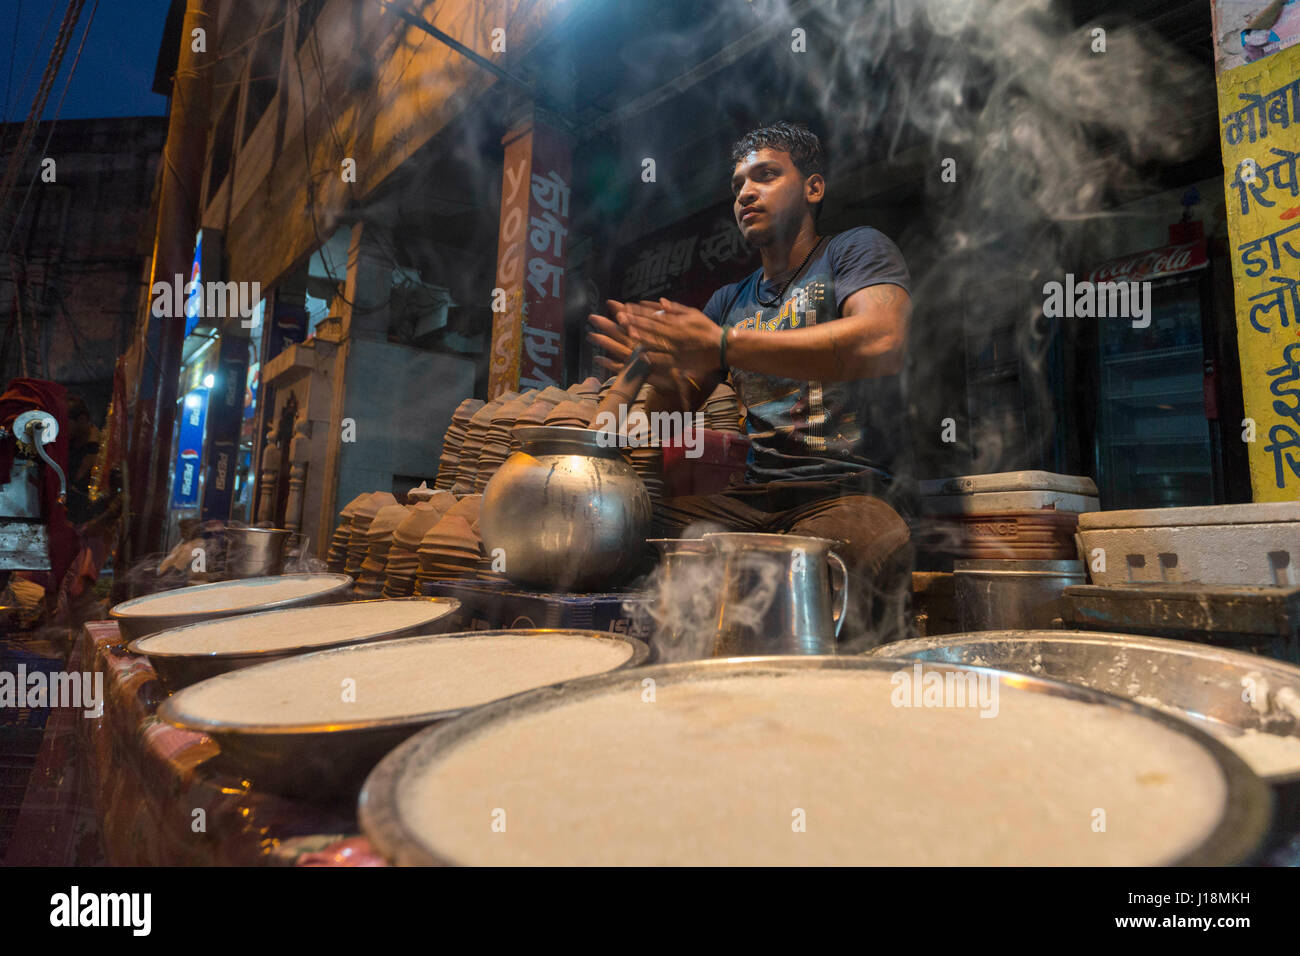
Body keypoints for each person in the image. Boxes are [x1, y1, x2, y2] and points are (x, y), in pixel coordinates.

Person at [588, 121, 914, 647]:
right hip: (756, 498)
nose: (745, 192)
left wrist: (721, 346)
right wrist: (656, 374)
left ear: (813, 187)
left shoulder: (853, 252)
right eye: (738, 183)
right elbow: (666, 417)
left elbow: (882, 340)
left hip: (850, 491)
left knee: (838, 560)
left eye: (765, 175)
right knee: (622, 529)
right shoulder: (728, 301)